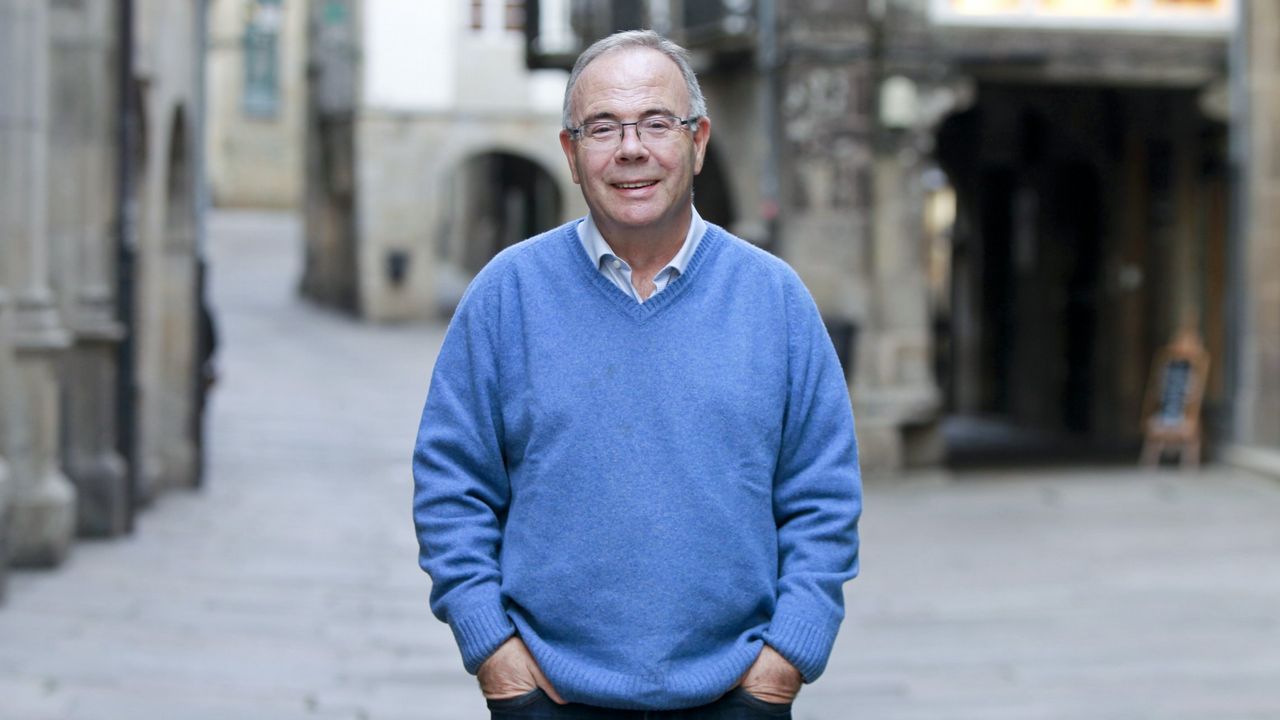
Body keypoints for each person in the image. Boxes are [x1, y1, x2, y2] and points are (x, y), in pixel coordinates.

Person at [412, 29, 862, 718]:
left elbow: (822, 495)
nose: (631, 148)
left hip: (736, 697)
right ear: (571, 153)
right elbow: (451, 486)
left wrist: (784, 664)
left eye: (657, 123)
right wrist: (494, 653)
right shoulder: (507, 294)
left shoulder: (773, 299)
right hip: (548, 699)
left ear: (698, 141)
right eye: (602, 127)